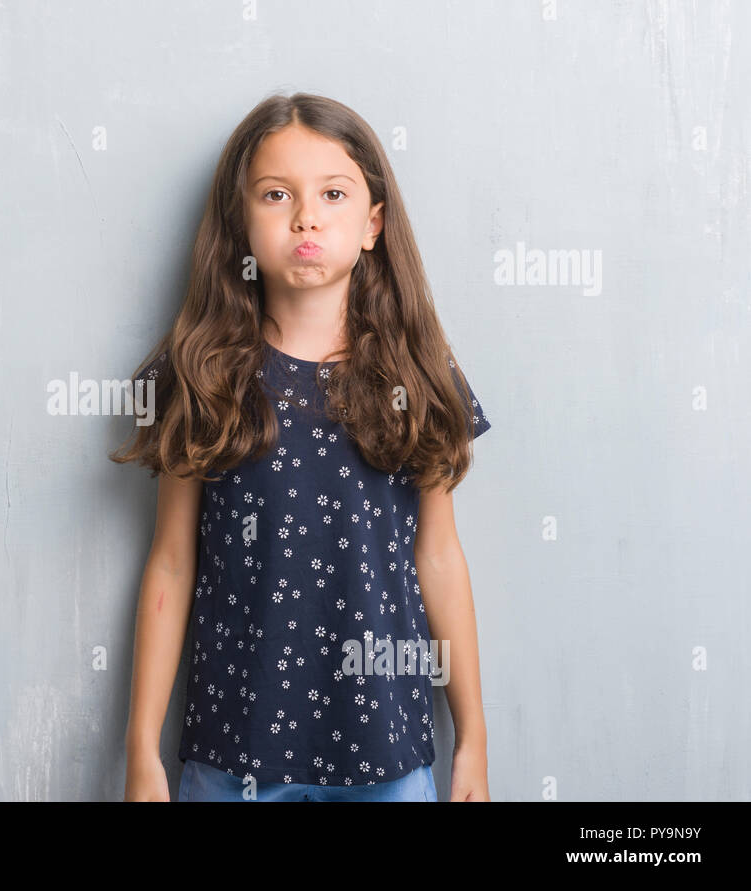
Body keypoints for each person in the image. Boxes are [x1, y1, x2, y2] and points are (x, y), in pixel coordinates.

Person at [110, 92, 493, 802]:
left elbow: (438, 554)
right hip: (234, 753)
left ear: (373, 222)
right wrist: (141, 750)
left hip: (389, 753)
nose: (306, 216)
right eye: (277, 194)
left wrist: (472, 741)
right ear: (240, 221)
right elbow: (170, 560)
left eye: (334, 193)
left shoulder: (420, 373)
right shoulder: (203, 371)